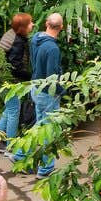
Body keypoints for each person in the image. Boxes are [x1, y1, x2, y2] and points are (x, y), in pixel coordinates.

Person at [28, 12, 64, 179]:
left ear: (46, 25)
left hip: (35, 87)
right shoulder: (52, 48)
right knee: (48, 130)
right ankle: (45, 168)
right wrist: (61, 91)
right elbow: (52, 76)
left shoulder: (35, 39)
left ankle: (21, 154)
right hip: (46, 93)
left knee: (40, 127)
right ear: (61, 27)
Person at [0, 12, 33, 152]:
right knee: (14, 110)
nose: (32, 25)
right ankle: (10, 145)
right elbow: (14, 67)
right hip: (6, 80)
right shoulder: (17, 41)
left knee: (9, 109)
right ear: (22, 27)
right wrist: (31, 77)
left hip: (0, 78)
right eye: (30, 23)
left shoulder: (10, 33)